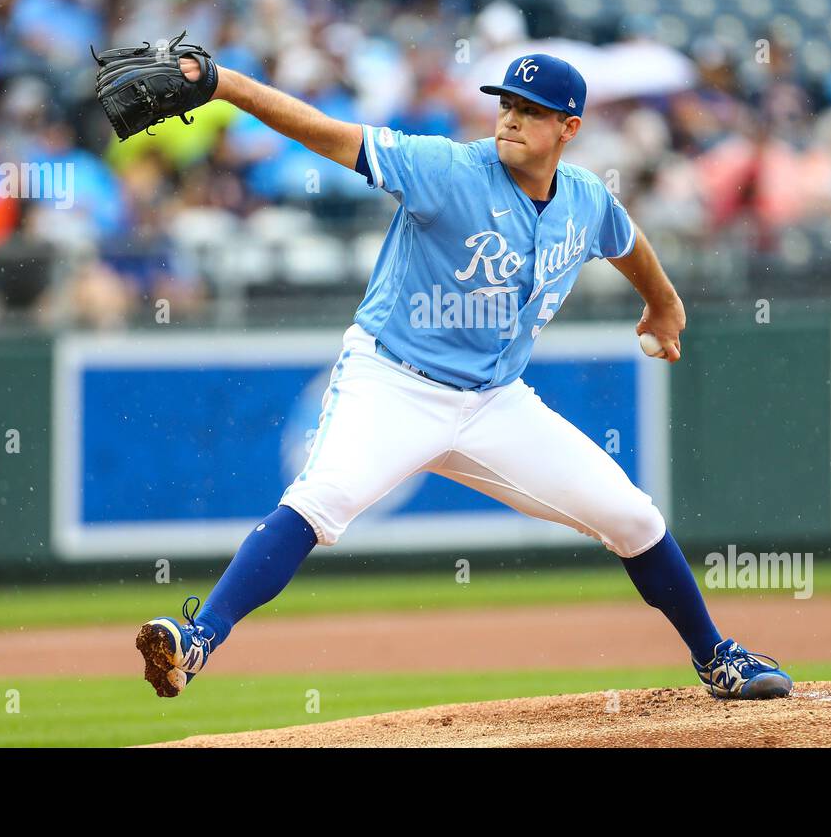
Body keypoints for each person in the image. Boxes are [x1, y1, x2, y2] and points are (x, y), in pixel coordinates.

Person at [132, 49, 793, 700]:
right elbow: (327, 135)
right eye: (506, 104)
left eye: (532, 111)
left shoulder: (585, 198)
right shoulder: (445, 168)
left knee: (632, 517)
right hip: (392, 383)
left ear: (570, 129)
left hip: (496, 404)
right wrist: (225, 85)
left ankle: (715, 658)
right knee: (320, 500)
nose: (510, 119)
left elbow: (625, 241)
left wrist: (664, 303)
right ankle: (198, 639)